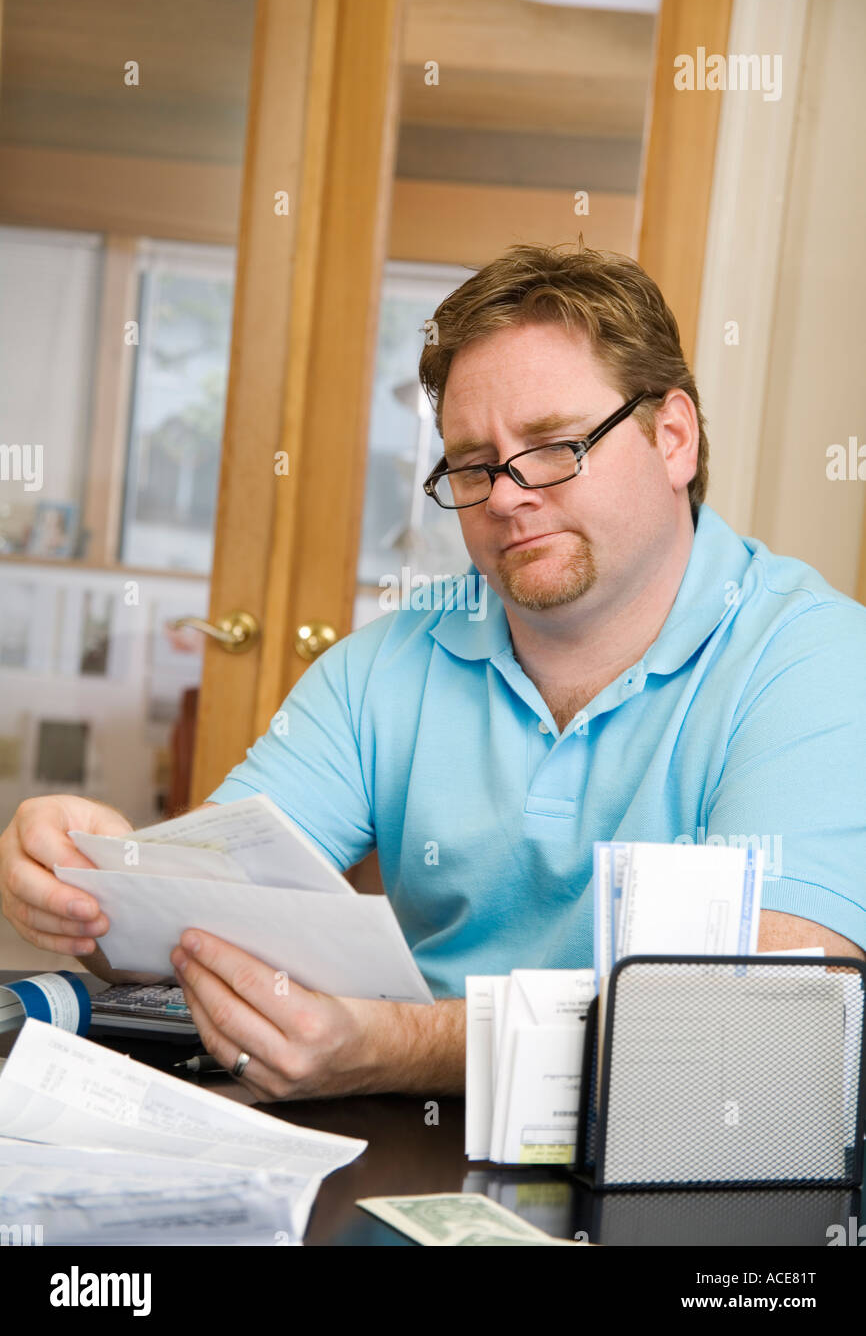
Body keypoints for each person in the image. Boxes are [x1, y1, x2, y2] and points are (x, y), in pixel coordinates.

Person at [2, 243, 865, 1103]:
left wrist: (400, 1046)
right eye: (471, 463)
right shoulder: (384, 666)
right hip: (407, 1138)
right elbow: (187, 926)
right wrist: (88, 881)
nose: (504, 496)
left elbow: (769, 1020)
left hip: (671, 1164)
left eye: (555, 446)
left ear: (673, 437)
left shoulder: (814, 662)